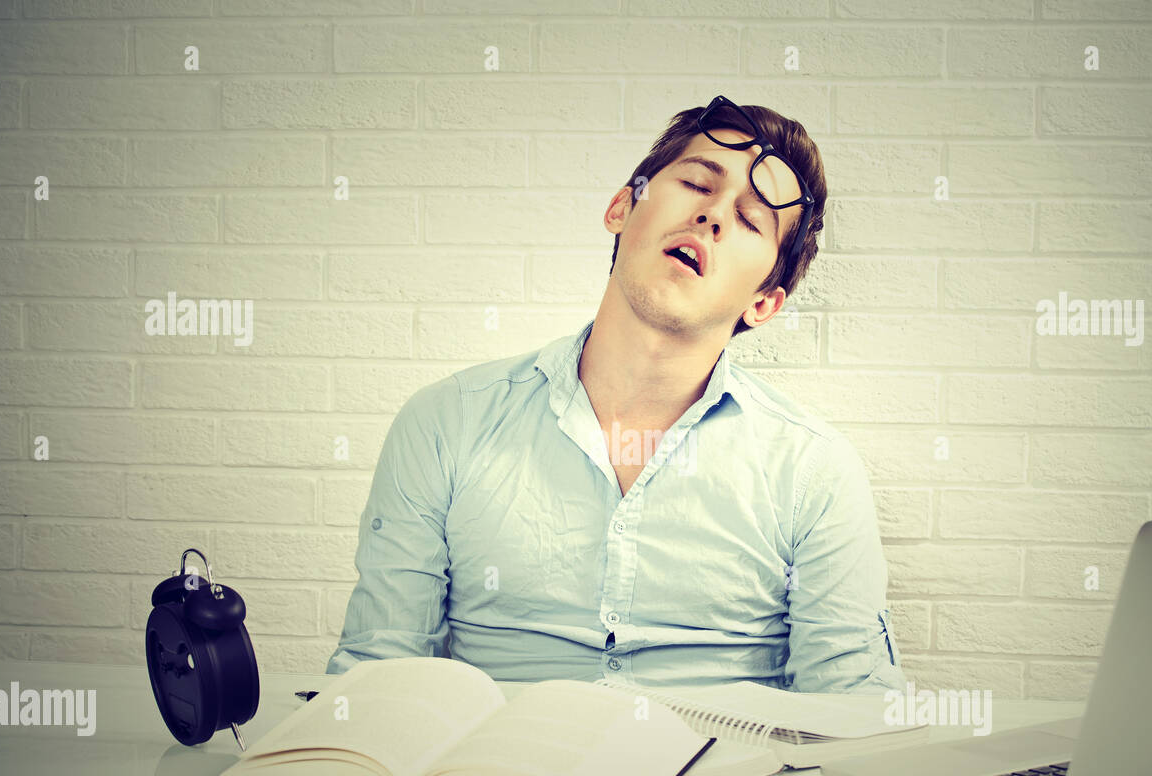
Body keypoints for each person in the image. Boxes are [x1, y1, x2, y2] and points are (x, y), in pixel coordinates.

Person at [326, 95, 906, 694]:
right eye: (697, 183)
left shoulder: (814, 470)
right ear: (622, 207)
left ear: (764, 303)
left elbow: (851, 709)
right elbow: (378, 677)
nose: (713, 216)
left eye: (752, 220)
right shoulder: (445, 423)